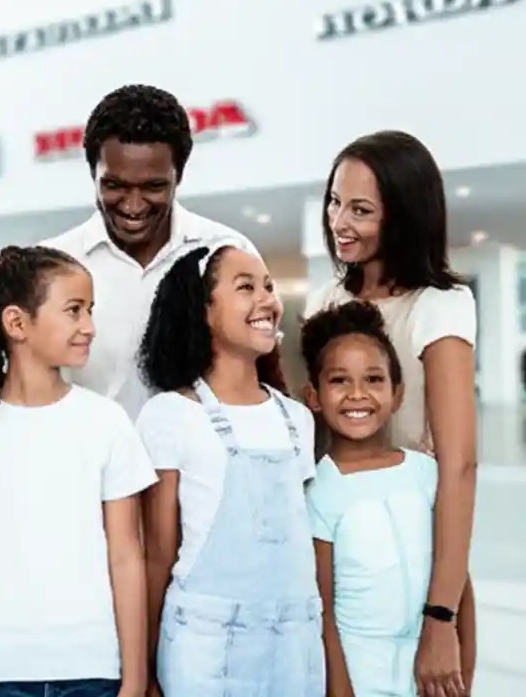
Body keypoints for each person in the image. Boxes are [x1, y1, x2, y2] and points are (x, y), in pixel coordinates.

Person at [0, 245, 155, 697]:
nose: (89, 327)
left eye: (90, 310)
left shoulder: (107, 422)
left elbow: (127, 556)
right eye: (74, 311)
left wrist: (134, 679)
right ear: (17, 323)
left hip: (91, 667)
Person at [303, 130, 478, 695]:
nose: (339, 222)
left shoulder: (439, 306)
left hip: (419, 554)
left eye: (361, 210)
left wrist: (442, 617)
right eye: (334, 202)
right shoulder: (326, 300)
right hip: (344, 549)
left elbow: (458, 468)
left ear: (402, 216)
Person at [136, 239, 323, 696]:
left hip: (296, 649)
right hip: (205, 648)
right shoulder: (170, 415)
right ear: (203, 311)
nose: (266, 300)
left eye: (268, 286)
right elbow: (158, 553)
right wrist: (143, 667)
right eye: (245, 287)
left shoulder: (296, 419)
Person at [40, 83, 257, 420]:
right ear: (92, 174)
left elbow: (257, 370)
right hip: (88, 470)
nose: (133, 205)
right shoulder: (48, 266)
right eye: (114, 185)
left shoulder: (228, 252)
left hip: (203, 469)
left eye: (154, 187)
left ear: (179, 176)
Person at [300, 299, 477, 697]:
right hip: (362, 679)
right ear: (313, 396)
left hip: (431, 682)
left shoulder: (426, 474)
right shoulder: (318, 492)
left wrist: (464, 676)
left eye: (374, 379)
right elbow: (322, 617)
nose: (357, 394)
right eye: (339, 380)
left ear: (397, 394)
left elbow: (460, 588)